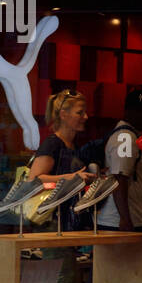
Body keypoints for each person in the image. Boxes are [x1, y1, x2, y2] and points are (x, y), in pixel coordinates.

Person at [97, 88, 142, 233]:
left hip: (132, 218)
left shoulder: (133, 136)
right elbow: (119, 179)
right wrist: (125, 219)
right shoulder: (126, 137)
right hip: (121, 222)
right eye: (139, 111)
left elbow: (134, 180)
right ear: (127, 112)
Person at [30, 88, 95, 231]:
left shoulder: (73, 145)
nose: (85, 117)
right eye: (79, 112)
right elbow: (33, 180)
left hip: (67, 222)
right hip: (52, 224)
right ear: (63, 115)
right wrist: (72, 177)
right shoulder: (53, 144)